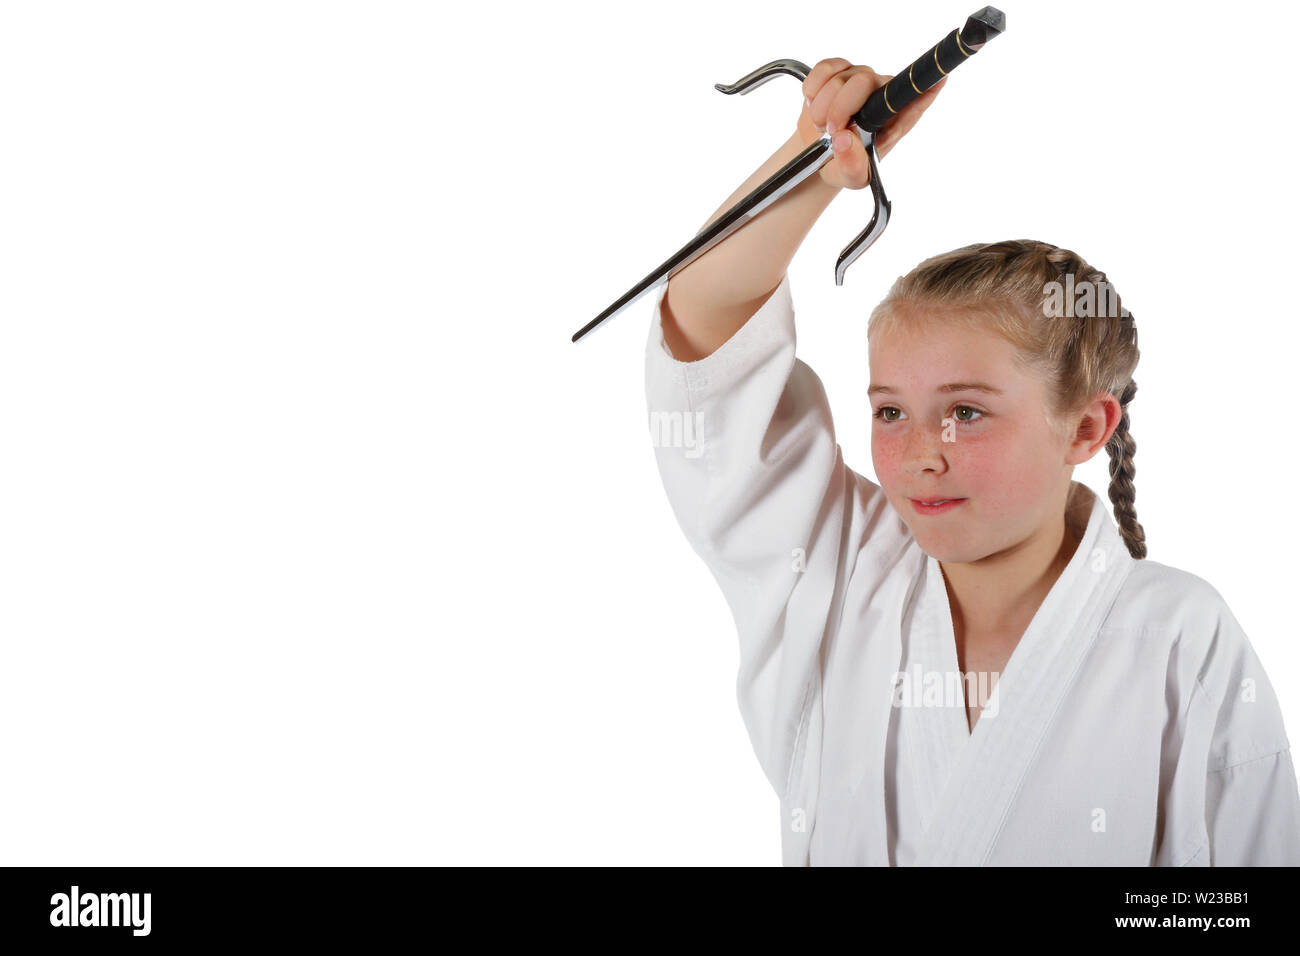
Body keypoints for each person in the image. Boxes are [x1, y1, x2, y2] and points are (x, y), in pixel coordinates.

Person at [644, 58, 1300, 865]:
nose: (922, 455)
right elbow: (705, 342)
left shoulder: (1180, 635)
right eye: (890, 412)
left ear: (1085, 430)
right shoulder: (836, 571)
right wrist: (814, 160)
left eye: (966, 412)